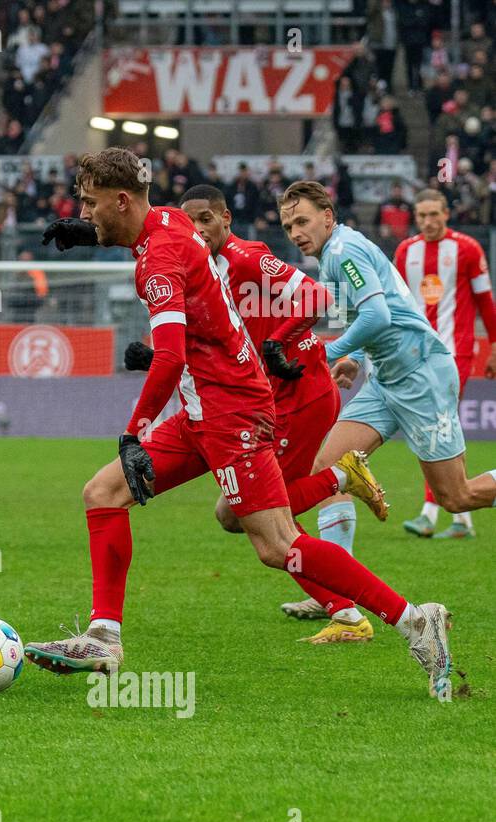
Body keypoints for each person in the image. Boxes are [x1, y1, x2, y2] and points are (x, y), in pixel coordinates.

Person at [27, 148, 454, 699]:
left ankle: (416, 620)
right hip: (203, 408)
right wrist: (90, 234)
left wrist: (134, 430)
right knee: (103, 492)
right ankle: (104, 637)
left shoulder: (159, 260)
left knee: (277, 544)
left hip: (232, 412)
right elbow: (163, 258)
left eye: (90, 205)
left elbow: (172, 355)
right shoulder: (170, 221)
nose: (84, 213)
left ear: (122, 200)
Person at [169, 185, 385, 645]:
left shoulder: (245, 257)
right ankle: (344, 610)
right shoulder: (199, 272)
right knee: (237, 516)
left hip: (299, 396)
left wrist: (278, 341)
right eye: (190, 223)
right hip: (267, 403)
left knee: (256, 517)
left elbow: (315, 295)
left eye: (206, 219)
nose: (199, 230)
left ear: (226, 218)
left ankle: (342, 481)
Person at [278, 180, 496, 596]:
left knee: (456, 496)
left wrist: (328, 353)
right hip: (386, 380)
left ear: (327, 217)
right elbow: (383, 306)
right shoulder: (333, 256)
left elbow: (377, 315)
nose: (296, 232)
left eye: (302, 221)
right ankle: (338, 595)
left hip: (421, 376)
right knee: (325, 470)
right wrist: (354, 359)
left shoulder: (343, 251)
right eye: (289, 226)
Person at [394, 188, 496, 539]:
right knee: (443, 428)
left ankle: (429, 511)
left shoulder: (467, 248)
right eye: (421, 215)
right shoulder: (406, 251)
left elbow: (485, 301)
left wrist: (494, 345)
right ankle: (462, 519)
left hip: (455, 353)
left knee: (437, 426)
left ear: (446, 214)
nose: (428, 222)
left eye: (434, 214)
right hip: (415, 354)